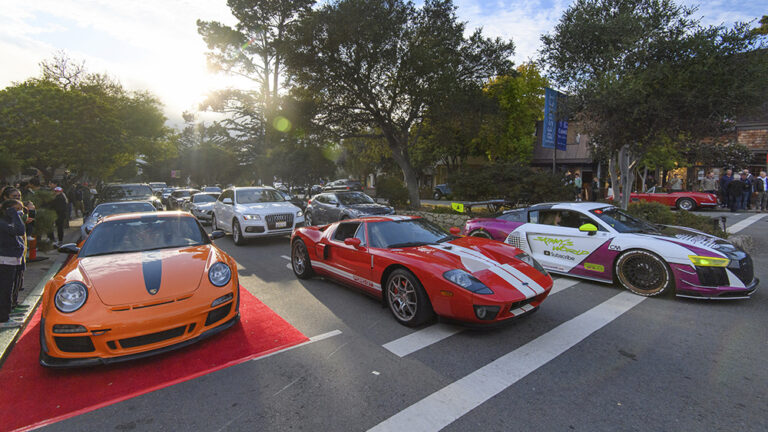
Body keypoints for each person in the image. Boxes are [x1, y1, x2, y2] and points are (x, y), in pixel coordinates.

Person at [0, 199, 26, 328]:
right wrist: (14, 214)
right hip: (4, 260)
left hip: (12, 260)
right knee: (5, 289)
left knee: (9, 289)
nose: (20, 212)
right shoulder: (3, 223)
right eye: (17, 209)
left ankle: (7, 313)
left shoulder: (9, 222)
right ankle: (3, 318)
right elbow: (20, 230)